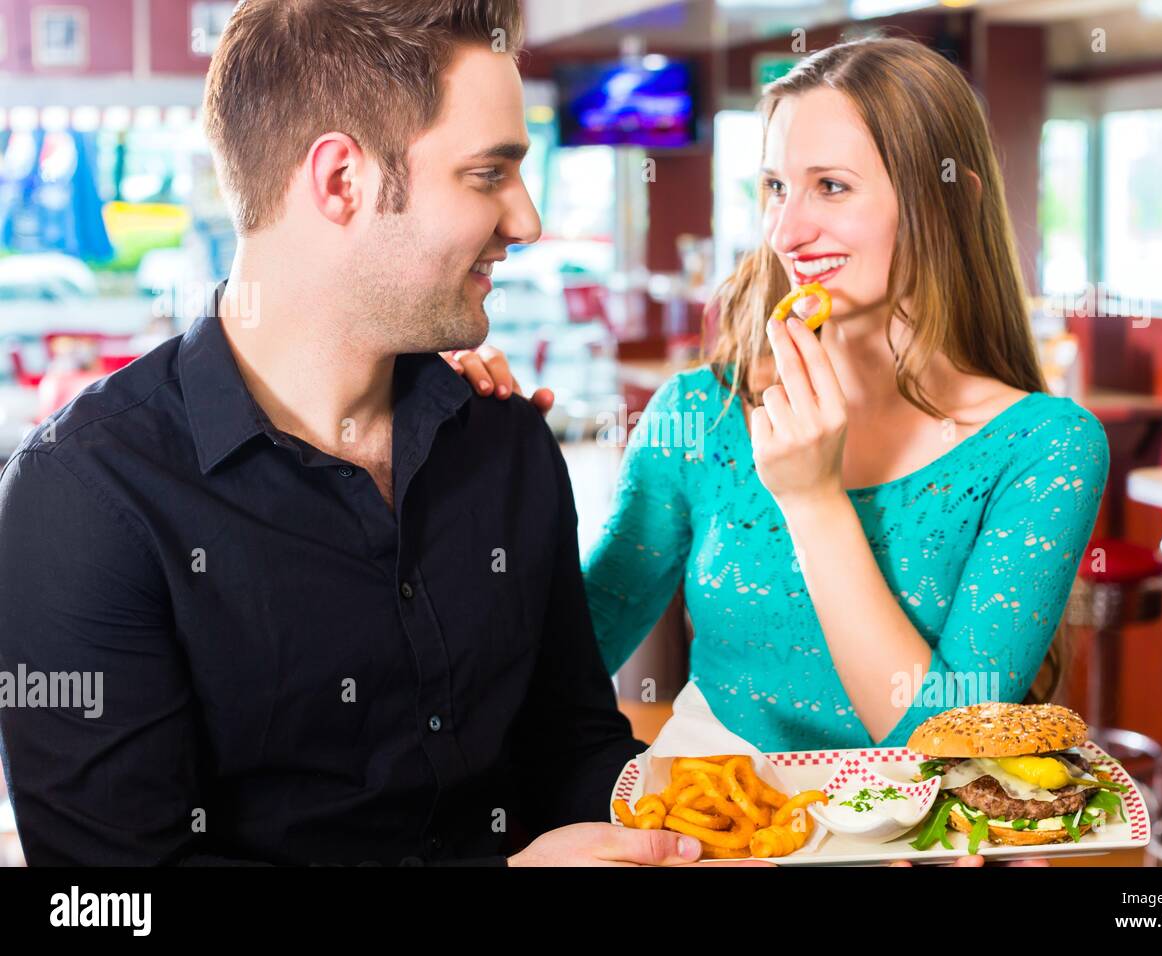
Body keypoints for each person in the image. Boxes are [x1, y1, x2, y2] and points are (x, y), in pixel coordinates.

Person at [0, 0, 725, 868]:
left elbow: (568, 749)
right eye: (488, 174)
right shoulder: (85, 498)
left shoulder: (507, 445)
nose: (527, 222)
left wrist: (716, 816)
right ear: (341, 181)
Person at [454, 37, 1110, 754]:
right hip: (715, 843)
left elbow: (952, 742)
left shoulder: (1045, 446)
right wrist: (485, 479)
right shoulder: (698, 415)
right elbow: (568, 660)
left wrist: (813, 499)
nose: (786, 232)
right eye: (774, 188)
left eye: (831, 186)